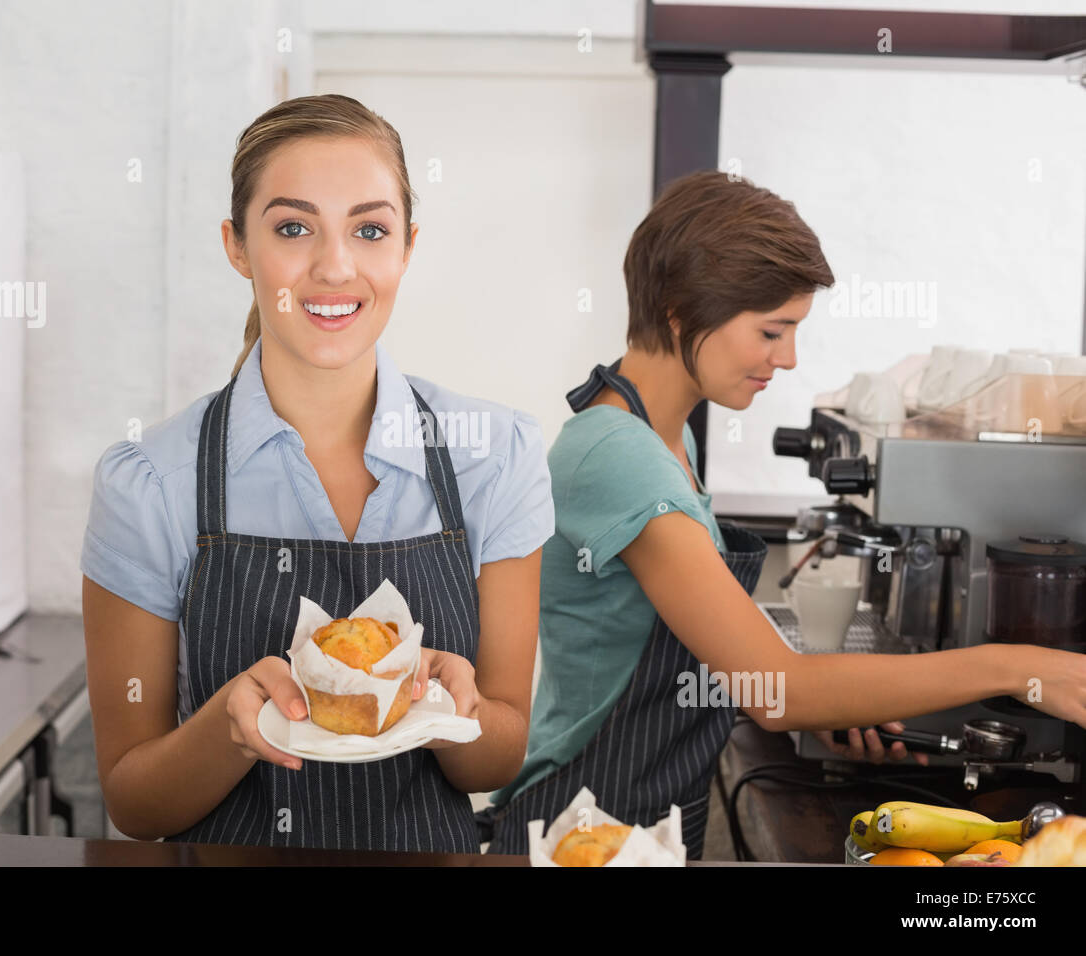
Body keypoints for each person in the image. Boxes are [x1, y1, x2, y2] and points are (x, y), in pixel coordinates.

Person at [483, 170, 1086, 860]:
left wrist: (840, 707)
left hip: (635, 819)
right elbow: (782, 693)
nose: (789, 358)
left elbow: (698, 657)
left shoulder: (659, 434)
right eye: (773, 331)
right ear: (682, 309)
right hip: (583, 825)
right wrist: (1022, 668)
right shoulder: (621, 457)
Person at [79, 94, 553, 852]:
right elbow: (135, 802)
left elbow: (499, 755)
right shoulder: (150, 484)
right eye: (294, 228)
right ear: (237, 247)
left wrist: (438, 703)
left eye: (370, 230)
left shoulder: (493, 456)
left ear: (406, 247)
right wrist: (228, 728)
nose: (335, 267)